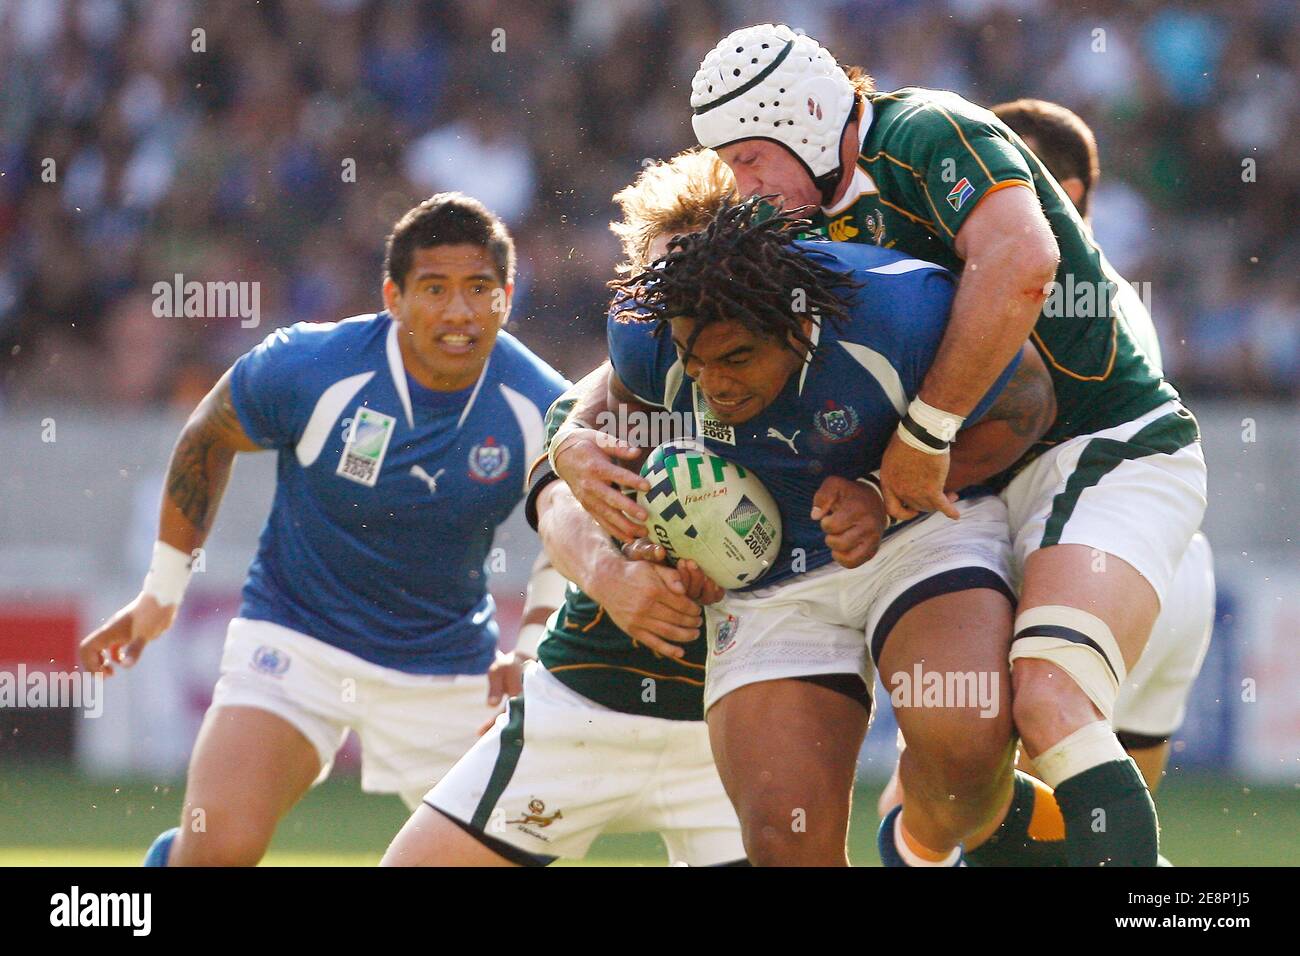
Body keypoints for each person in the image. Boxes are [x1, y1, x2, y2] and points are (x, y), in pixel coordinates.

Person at [689, 24, 1207, 866]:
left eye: (749, 157)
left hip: (1099, 448)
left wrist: (920, 439)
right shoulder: (797, 225)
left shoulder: (927, 131)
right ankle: (937, 844)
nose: (739, 185)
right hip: (979, 480)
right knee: (966, 745)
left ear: (809, 116)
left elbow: (1022, 260)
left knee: (1046, 696)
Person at [545, 185, 1056, 865]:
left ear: (798, 324)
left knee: (966, 743)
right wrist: (669, 543)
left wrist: (886, 491)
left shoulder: (900, 311)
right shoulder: (646, 332)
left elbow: (1027, 408)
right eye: (693, 361)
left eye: (735, 360)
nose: (713, 385)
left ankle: (919, 843)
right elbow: (632, 427)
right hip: (765, 587)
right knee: (782, 844)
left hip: (919, 538)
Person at [80, 192, 569, 866]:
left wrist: (533, 645)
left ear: (507, 296)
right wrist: (162, 592)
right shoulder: (313, 367)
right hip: (296, 639)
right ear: (393, 296)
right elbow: (206, 436)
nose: (458, 312)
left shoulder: (542, 404)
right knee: (216, 849)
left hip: (448, 666)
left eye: (478, 289)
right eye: (435, 289)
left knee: (513, 856)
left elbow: (571, 529)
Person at [382, 152, 750, 866]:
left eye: (702, 268)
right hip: (587, 701)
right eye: (663, 277)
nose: (682, 296)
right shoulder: (607, 393)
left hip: (739, 718)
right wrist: (614, 580)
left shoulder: (815, 382)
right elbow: (554, 502)